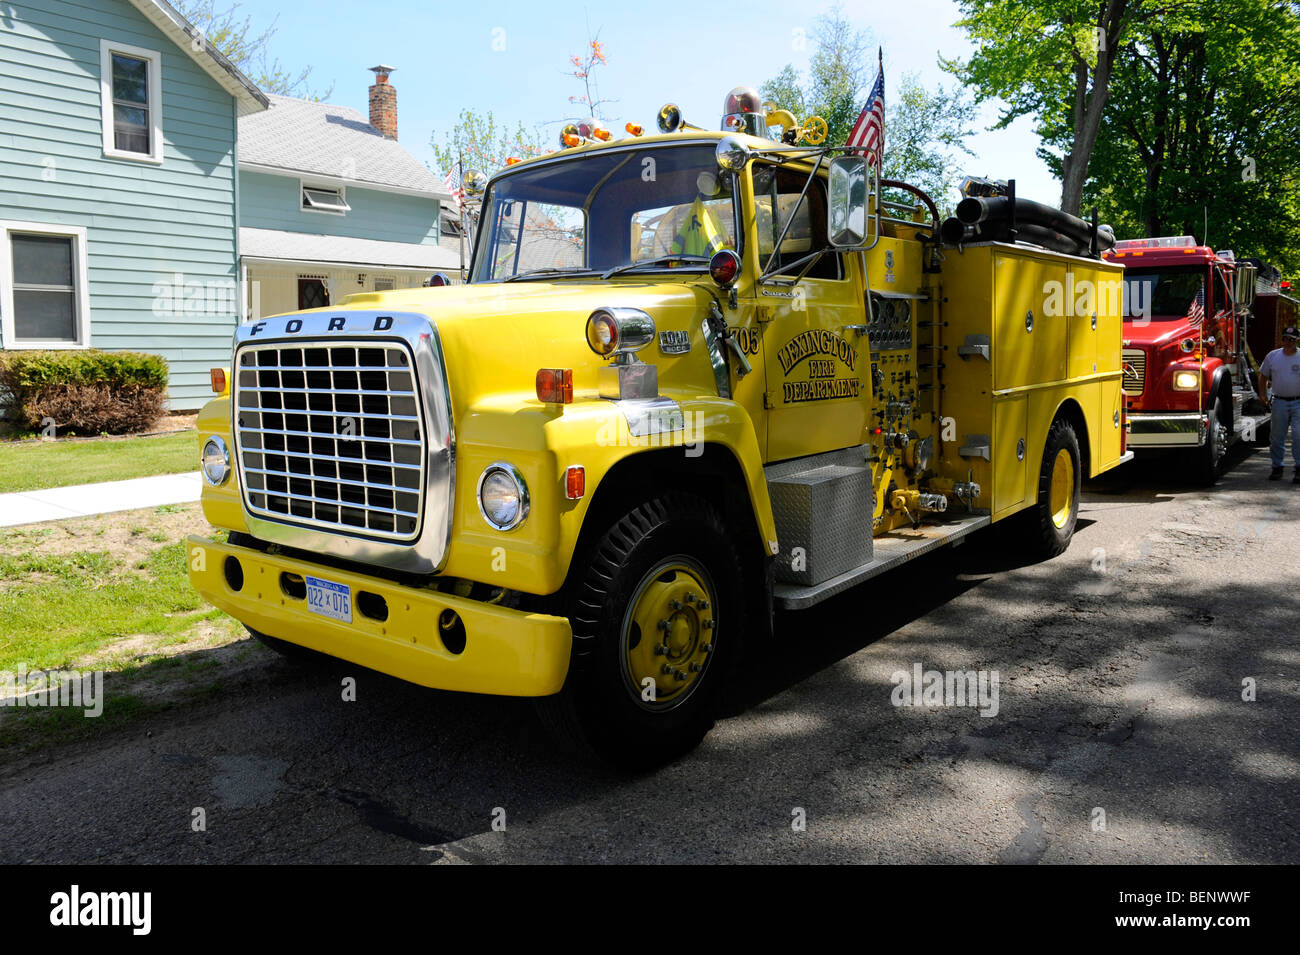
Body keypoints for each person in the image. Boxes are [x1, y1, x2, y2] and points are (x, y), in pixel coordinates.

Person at [1258, 324, 1300, 482]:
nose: (1287, 342)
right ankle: (1277, 467)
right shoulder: (1273, 356)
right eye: (1284, 339)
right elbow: (1263, 375)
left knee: (1299, 435)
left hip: (1298, 402)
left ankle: (1299, 468)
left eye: (1291, 339)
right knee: (1276, 436)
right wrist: (1262, 395)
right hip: (1279, 401)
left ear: (1297, 340)